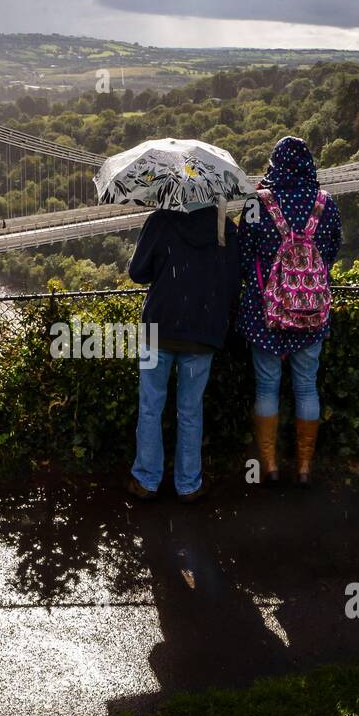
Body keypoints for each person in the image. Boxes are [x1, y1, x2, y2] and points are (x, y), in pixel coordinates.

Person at [236, 136, 342, 487]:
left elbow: (242, 255)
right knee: (306, 388)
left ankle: (269, 465)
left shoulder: (257, 202)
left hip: (264, 313)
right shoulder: (326, 204)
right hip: (310, 313)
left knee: (267, 388)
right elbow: (330, 254)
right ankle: (304, 468)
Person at [126, 202, 240, 503]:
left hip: (157, 330)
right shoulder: (223, 226)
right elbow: (233, 281)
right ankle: (188, 485)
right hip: (203, 331)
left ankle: (146, 482)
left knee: (150, 407)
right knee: (190, 410)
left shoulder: (160, 221)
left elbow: (137, 273)